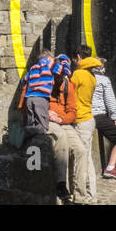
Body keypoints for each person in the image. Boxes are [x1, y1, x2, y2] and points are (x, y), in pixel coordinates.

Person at [47, 53, 85, 203]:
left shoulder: (68, 85)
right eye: (57, 76)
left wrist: (61, 119)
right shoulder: (45, 81)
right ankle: (61, 185)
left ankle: (80, 197)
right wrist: (49, 114)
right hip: (49, 120)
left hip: (63, 121)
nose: (58, 79)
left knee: (81, 150)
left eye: (61, 76)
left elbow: (72, 112)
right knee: (61, 138)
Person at [70, 45, 103, 202]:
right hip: (89, 119)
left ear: (78, 57)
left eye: (74, 59)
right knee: (87, 158)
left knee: (81, 159)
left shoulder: (78, 74)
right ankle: (92, 195)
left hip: (80, 120)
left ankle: (83, 195)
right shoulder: (91, 76)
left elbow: (69, 94)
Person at [89, 57, 116, 181]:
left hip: (87, 114)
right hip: (98, 115)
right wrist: (115, 119)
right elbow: (110, 100)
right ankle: (111, 167)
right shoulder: (104, 80)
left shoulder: (86, 77)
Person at [18, 48, 55, 137]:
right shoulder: (50, 66)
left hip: (29, 98)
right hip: (41, 98)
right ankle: (41, 144)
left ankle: (27, 131)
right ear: (49, 58)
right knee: (43, 127)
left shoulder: (33, 68)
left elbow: (23, 80)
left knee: (32, 123)